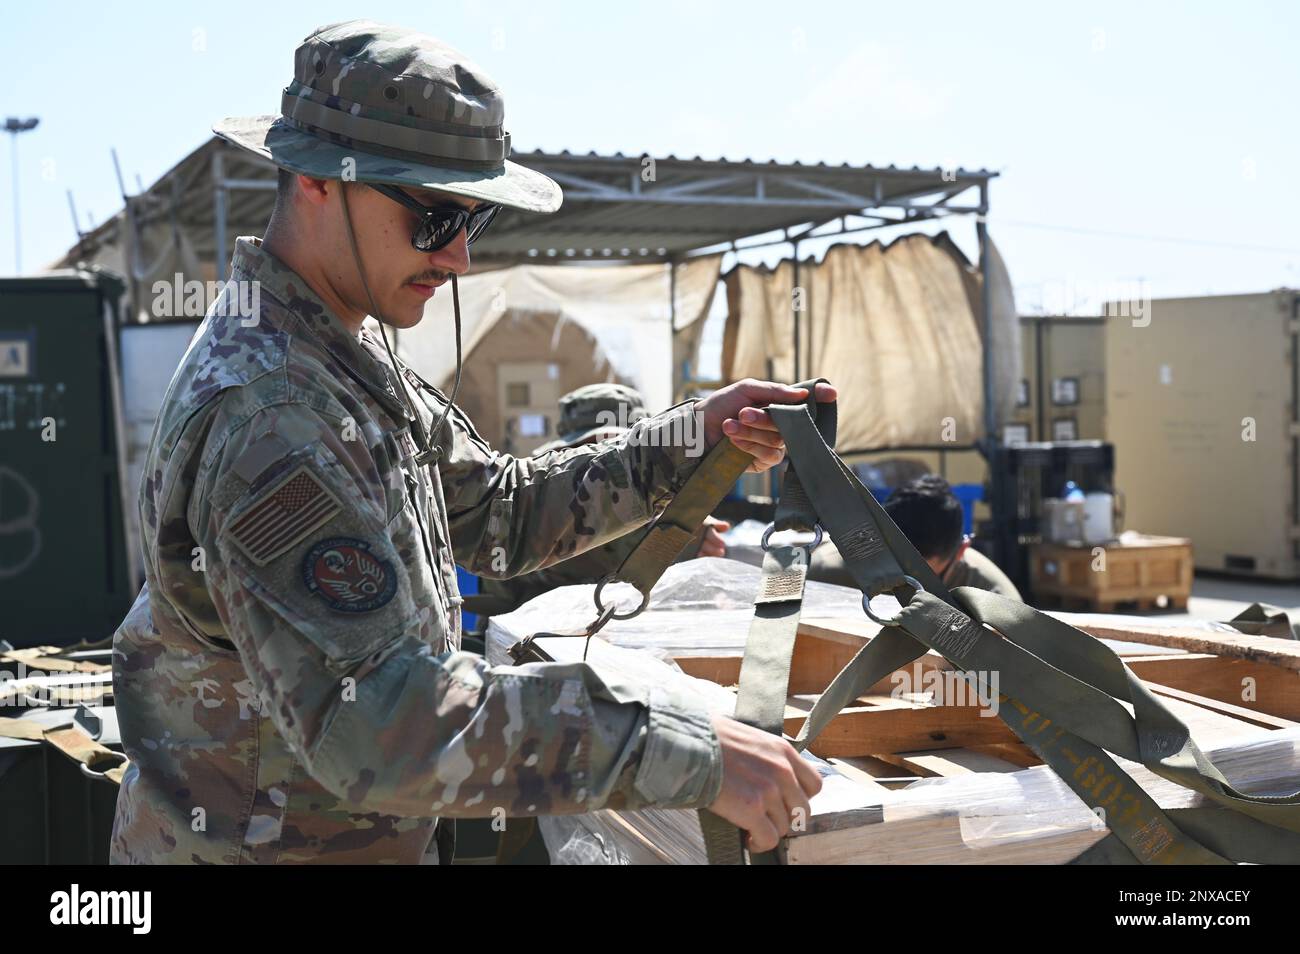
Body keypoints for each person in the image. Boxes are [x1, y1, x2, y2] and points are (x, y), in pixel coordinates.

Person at [109, 19, 830, 864]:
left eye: (471, 221)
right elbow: (377, 722)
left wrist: (689, 437)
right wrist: (678, 748)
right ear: (314, 180)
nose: (456, 259)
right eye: (433, 217)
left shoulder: (341, 354)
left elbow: (497, 511)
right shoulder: (272, 413)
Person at [470, 383, 728, 620]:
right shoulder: (530, 493)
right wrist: (669, 537)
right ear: (565, 454)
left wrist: (686, 526)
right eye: (590, 448)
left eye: (616, 450)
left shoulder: (659, 497)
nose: (602, 464)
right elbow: (532, 554)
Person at [805, 474, 1022, 600]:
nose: (908, 590)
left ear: (962, 552)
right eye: (897, 571)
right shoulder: (826, 575)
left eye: (924, 579)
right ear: (876, 540)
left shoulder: (993, 598)